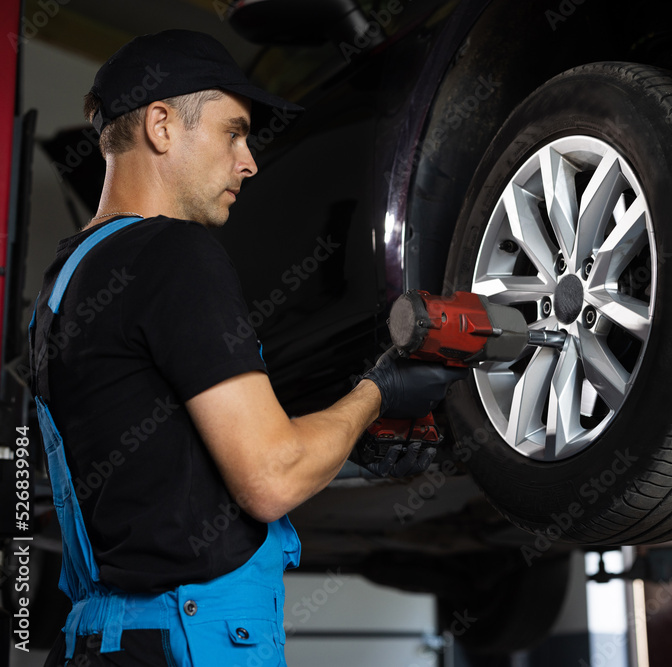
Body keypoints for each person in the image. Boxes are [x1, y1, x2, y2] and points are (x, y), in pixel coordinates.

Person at [31, 29, 463, 666]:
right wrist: (377, 393)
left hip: (98, 643)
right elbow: (271, 476)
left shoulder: (64, 282)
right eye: (233, 132)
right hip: (191, 643)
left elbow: (169, 475)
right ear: (161, 125)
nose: (250, 161)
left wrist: (339, 444)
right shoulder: (174, 254)